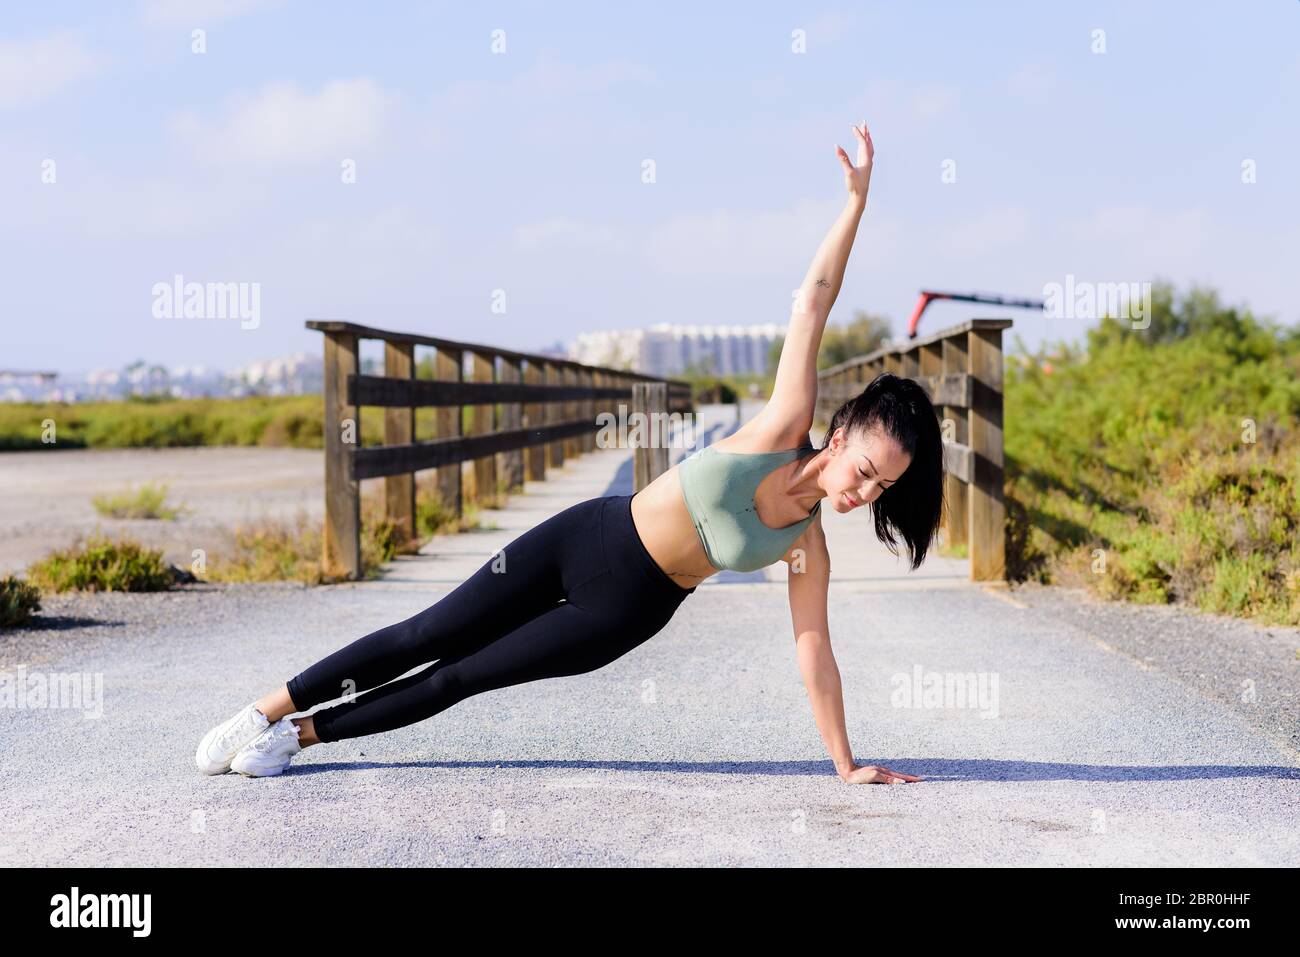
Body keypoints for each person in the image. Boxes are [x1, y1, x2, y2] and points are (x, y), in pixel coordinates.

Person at [195, 121, 941, 785]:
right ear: (839, 437)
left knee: (460, 678)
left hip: (623, 611)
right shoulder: (784, 423)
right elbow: (811, 300)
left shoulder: (805, 546)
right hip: (586, 535)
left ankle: (300, 735)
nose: (864, 493)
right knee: (428, 632)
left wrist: (845, 764)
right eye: (866, 472)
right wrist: (856, 204)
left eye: (880, 489)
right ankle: (261, 710)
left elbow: (815, 655)